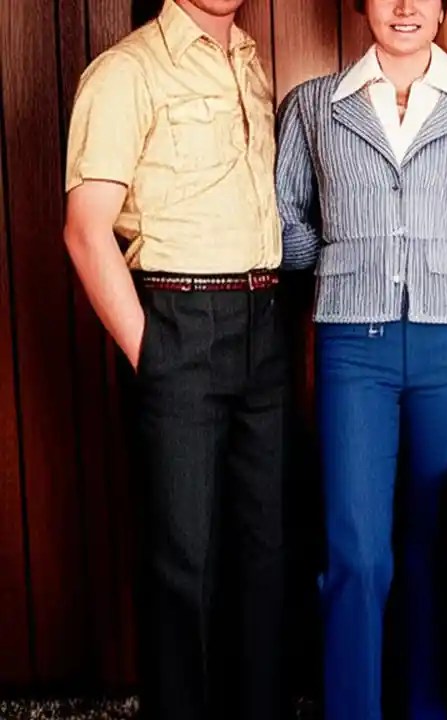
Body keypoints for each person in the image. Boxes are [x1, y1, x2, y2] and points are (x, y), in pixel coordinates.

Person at [274, 0, 447, 715]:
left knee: (436, 549)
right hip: (352, 348)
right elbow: (285, 218)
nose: (406, 7)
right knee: (356, 554)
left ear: (446, 8)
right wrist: (340, 255)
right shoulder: (314, 106)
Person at [62, 0, 286, 718]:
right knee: (183, 566)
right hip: (179, 321)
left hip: (265, 320)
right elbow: (85, 231)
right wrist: (153, 354)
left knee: (264, 558)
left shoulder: (249, 66)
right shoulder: (125, 71)